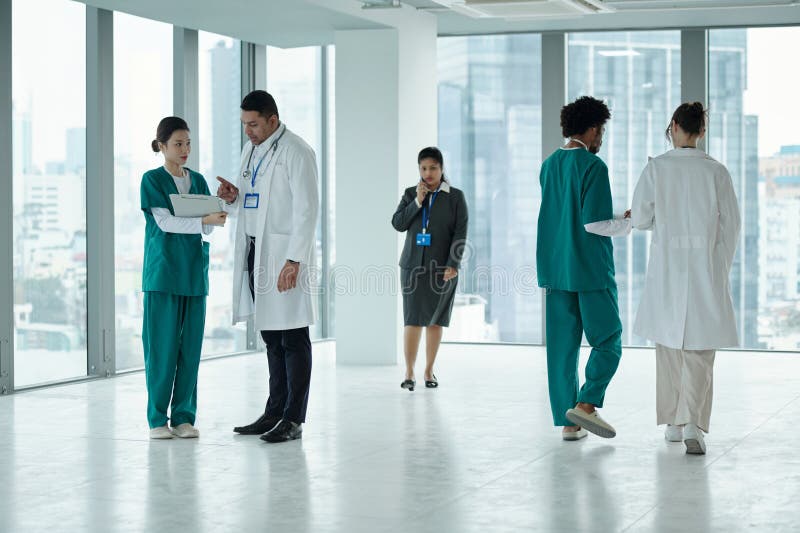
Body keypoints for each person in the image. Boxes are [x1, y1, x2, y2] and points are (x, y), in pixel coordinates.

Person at [631, 102, 740, 455]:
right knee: (699, 350)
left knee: (669, 347)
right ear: (701, 131)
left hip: (668, 266)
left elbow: (641, 219)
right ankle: (694, 422)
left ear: (674, 127)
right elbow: (731, 225)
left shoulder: (657, 169)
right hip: (706, 266)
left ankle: (674, 426)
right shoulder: (716, 171)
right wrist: (720, 264)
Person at [217, 90, 319, 443]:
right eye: (244, 124)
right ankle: (274, 411)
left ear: (272, 120)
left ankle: (293, 418)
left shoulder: (297, 151)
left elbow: (307, 210)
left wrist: (294, 260)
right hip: (256, 251)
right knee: (271, 337)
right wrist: (234, 198)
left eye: (254, 124)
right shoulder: (252, 150)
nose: (248, 130)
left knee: (293, 335)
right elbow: (252, 198)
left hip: (284, 256)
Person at [536, 96, 631, 441]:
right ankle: (587, 404)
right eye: (601, 130)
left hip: (556, 269)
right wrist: (625, 222)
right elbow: (594, 223)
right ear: (592, 129)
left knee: (562, 349)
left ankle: (569, 424)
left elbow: (565, 215)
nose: (601, 138)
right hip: (590, 270)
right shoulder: (594, 167)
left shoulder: (549, 165)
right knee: (609, 339)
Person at [140, 116, 227, 439]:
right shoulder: (152, 180)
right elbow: (164, 223)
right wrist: (205, 218)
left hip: (193, 274)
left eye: (188, 143)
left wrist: (214, 217)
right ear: (162, 146)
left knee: (190, 350)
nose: (185, 149)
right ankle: (156, 420)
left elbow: (208, 225)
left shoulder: (199, 180)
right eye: (178, 144)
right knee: (161, 349)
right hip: (163, 275)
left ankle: (183, 417)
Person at [392, 147, 468, 391]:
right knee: (412, 319)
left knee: (435, 320)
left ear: (442, 168)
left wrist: (453, 264)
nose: (428, 173)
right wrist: (418, 201)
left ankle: (428, 370)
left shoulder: (455, 197)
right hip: (412, 267)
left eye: (433, 168)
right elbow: (398, 223)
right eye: (423, 168)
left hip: (442, 269)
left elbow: (460, 233)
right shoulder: (409, 194)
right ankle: (410, 372)